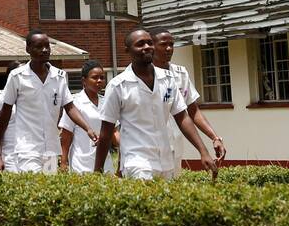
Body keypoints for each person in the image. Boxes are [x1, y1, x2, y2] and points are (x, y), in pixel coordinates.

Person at [95, 29, 217, 180]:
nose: (147, 47)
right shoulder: (118, 86)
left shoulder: (168, 79)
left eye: (149, 43)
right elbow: (106, 133)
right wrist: (97, 172)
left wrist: (203, 151)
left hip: (166, 161)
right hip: (137, 162)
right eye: (140, 44)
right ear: (128, 50)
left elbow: (182, 117)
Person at [0, 31, 96, 174]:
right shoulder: (17, 77)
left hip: (51, 148)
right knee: (35, 188)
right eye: (39, 46)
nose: (45, 50)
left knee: (48, 190)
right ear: (28, 49)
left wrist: (88, 128)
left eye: (47, 46)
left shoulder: (59, 76)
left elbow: (70, 107)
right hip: (28, 148)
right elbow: (5, 113)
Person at [152, 29, 227, 171]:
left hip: (176, 143)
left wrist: (215, 137)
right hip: (151, 147)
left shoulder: (180, 73)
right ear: (152, 46)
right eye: (163, 44)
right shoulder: (145, 76)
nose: (168, 49)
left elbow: (193, 110)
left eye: (171, 44)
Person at [59, 59, 118, 174]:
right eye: (95, 77)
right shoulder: (74, 103)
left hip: (105, 164)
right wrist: (63, 161)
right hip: (81, 164)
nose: (99, 81)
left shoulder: (107, 102)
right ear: (84, 81)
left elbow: (114, 133)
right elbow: (66, 135)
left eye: (102, 77)